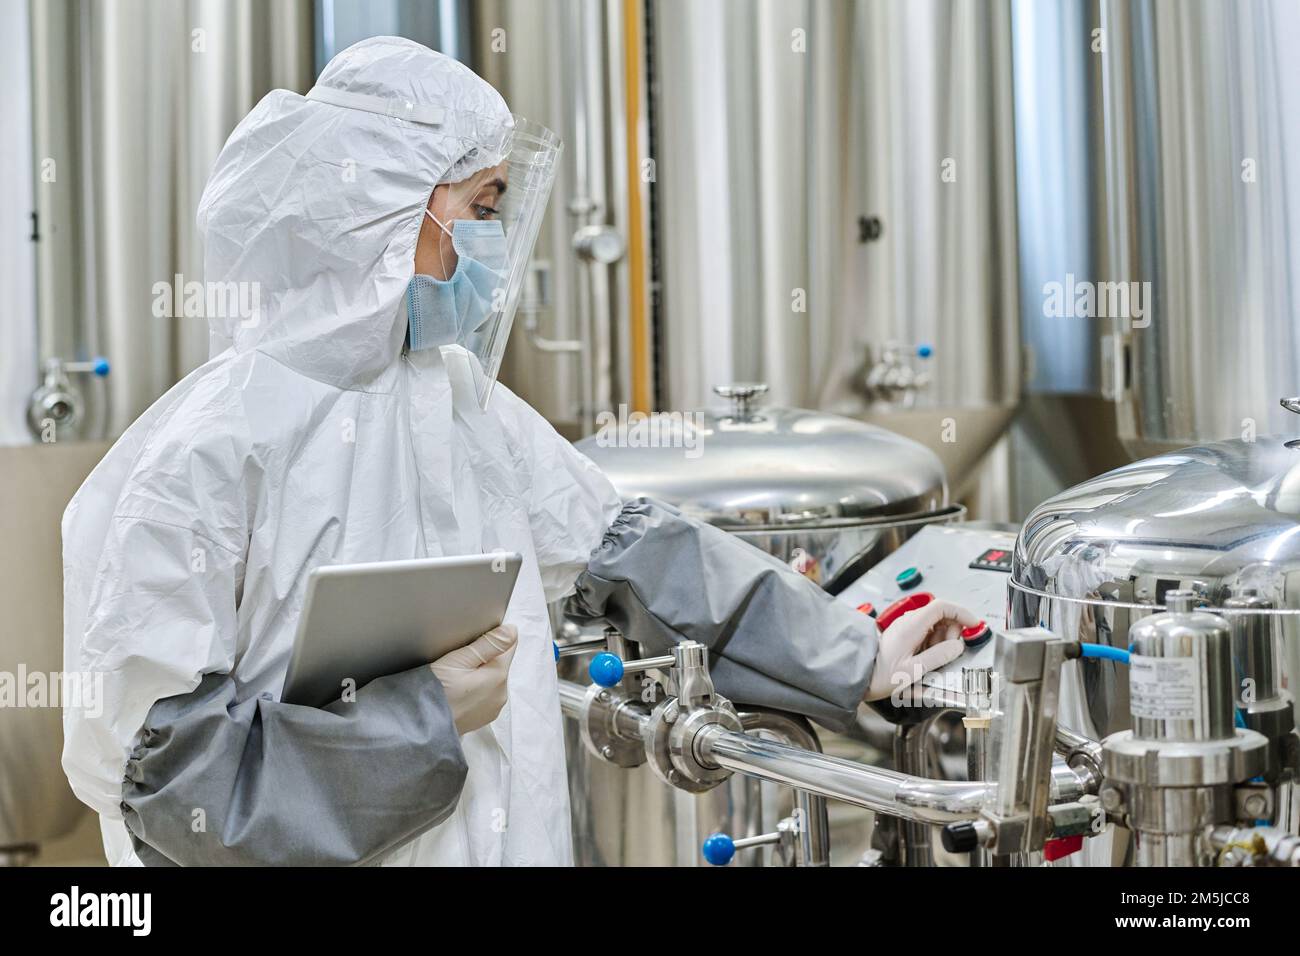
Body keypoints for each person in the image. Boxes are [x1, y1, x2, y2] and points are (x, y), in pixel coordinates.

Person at [61, 36, 977, 867]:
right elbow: (165, 782)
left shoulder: (460, 401)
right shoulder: (211, 453)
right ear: (376, 212)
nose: (494, 246)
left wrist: (856, 657)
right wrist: (423, 722)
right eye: (481, 206)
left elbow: (632, 555)